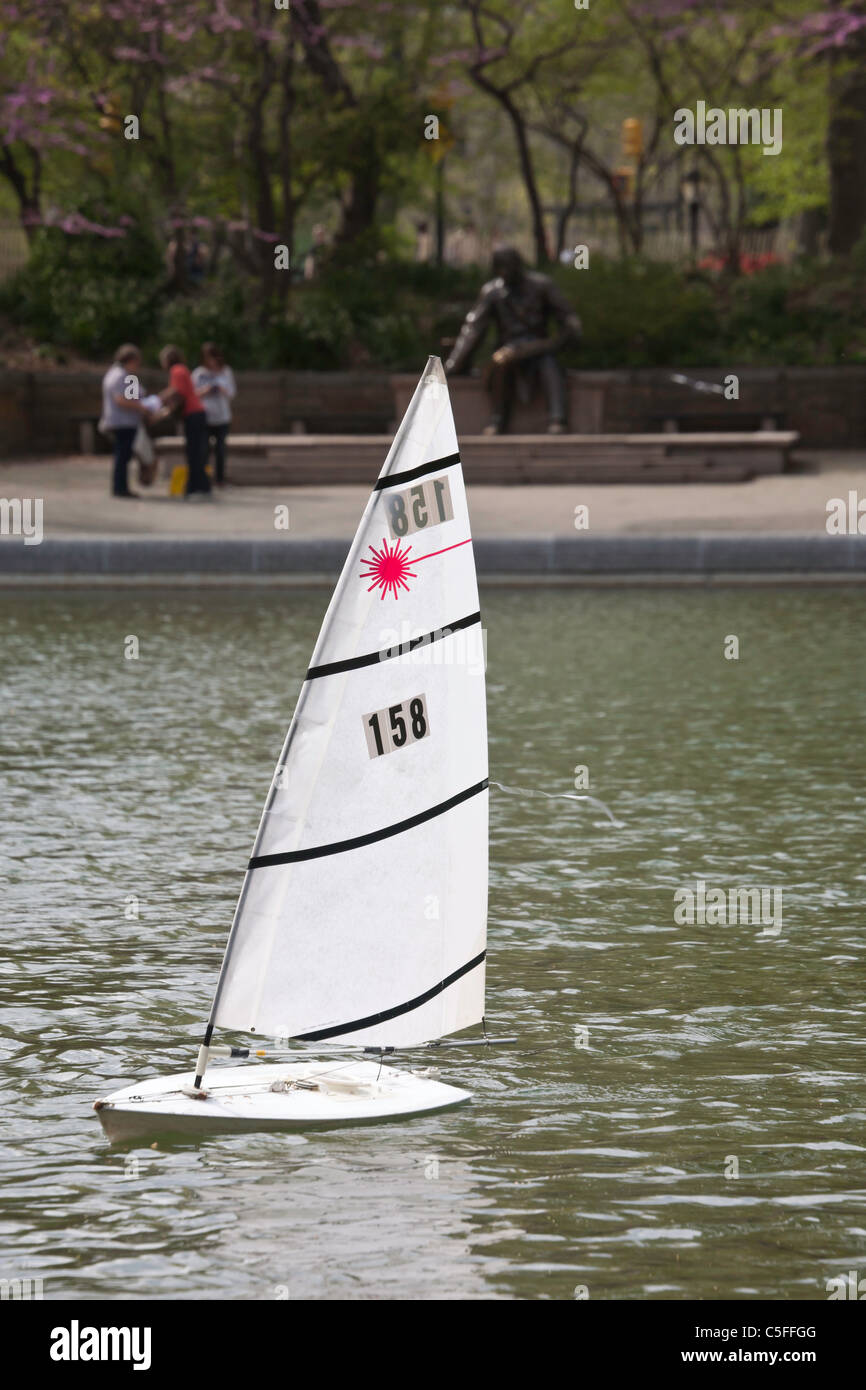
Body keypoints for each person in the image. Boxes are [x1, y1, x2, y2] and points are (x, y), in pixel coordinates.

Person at [444, 246, 582, 434]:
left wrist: (554, 342)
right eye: (499, 267)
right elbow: (473, 330)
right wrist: (453, 365)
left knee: (549, 364)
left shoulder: (542, 285)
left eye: (508, 267)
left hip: (538, 347)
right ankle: (498, 418)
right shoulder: (492, 291)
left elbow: (569, 323)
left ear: (518, 265)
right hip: (507, 349)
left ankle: (558, 418)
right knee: (500, 364)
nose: (504, 272)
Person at [158, 345, 211, 498]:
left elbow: (177, 391)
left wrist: (158, 399)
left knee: (193, 452)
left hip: (193, 413)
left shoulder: (177, 370)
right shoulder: (182, 369)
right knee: (196, 452)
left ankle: (194, 488)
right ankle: (202, 486)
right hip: (196, 413)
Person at [100, 344, 149, 498]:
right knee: (122, 456)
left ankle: (121, 486)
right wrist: (141, 407)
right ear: (130, 360)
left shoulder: (123, 375)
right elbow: (121, 400)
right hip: (123, 422)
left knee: (124, 456)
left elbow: (134, 395)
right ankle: (120, 488)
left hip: (125, 421)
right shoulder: (120, 376)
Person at [192, 343, 236, 486]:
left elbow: (232, 393)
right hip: (205, 417)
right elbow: (192, 394)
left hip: (222, 417)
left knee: (221, 450)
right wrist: (205, 390)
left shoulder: (226, 371)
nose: (211, 361)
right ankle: (203, 478)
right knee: (204, 449)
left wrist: (222, 389)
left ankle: (220, 479)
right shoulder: (199, 373)